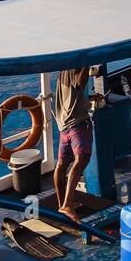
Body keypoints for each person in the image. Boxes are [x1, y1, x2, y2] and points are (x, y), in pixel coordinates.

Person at [53, 66, 92, 222]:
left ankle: (62, 204)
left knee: (62, 164)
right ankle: (68, 205)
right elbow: (79, 83)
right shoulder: (80, 61)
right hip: (77, 121)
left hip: (63, 123)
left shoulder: (63, 67)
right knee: (82, 159)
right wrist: (88, 63)